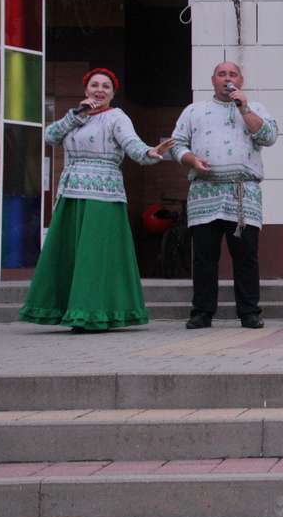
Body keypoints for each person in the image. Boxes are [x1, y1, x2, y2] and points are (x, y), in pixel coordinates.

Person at [19, 68, 173, 332]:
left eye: (106, 87)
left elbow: (133, 146)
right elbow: (49, 136)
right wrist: (76, 115)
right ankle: (66, 309)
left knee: (94, 255)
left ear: (113, 94)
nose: (99, 90)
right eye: (94, 85)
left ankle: (94, 311)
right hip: (72, 194)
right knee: (70, 254)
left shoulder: (117, 118)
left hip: (103, 195)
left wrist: (151, 151)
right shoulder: (75, 117)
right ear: (86, 90)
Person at [170, 61, 278, 330]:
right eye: (222, 74)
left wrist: (245, 108)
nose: (227, 78)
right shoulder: (194, 110)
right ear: (213, 80)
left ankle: (250, 312)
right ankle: (202, 312)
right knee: (204, 257)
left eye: (232, 74)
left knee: (246, 257)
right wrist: (192, 159)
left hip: (243, 194)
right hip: (205, 193)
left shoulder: (255, 108)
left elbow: (269, 137)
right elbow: (176, 144)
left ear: (241, 80)